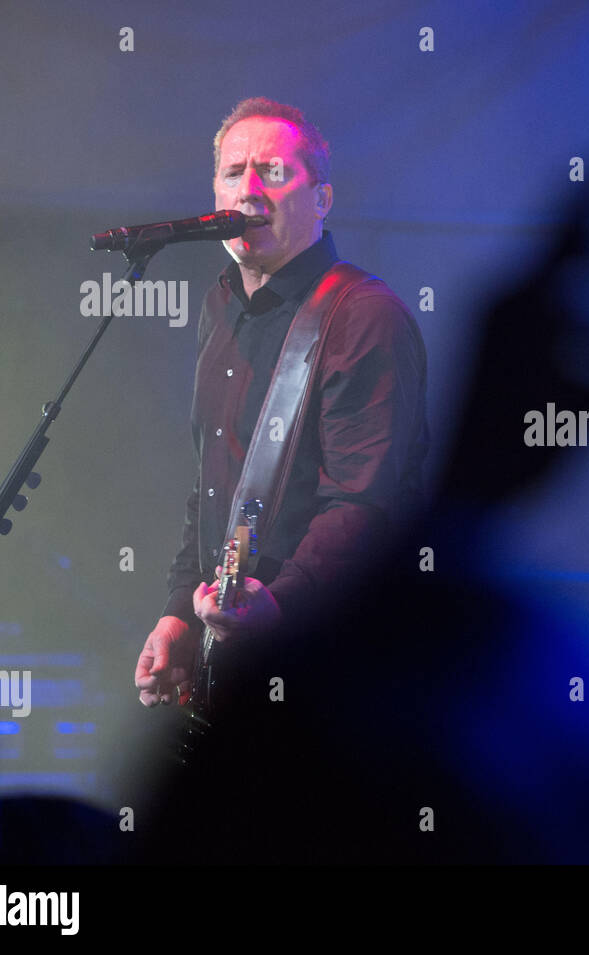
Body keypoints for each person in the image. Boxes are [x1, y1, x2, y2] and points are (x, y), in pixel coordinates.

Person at [133, 97, 429, 708]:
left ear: (322, 198)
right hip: (231, 667)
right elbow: (213, 486)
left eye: (273, 171)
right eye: (233, 173)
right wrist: (177, 617)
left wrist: (283, 602)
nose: (249, 190)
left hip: (328, 665)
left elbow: (365, 501)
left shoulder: (364, 317)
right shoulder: (219, 307)